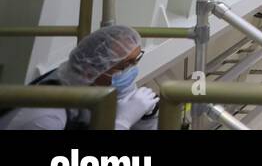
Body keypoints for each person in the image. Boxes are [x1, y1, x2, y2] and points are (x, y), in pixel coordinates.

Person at [0, 25, 156, 130]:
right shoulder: (44, 118)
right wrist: (121, 122)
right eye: (124, 65)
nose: (131, 71)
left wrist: (145, 116)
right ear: (91, 71)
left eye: (135, 61)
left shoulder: (90, 84)